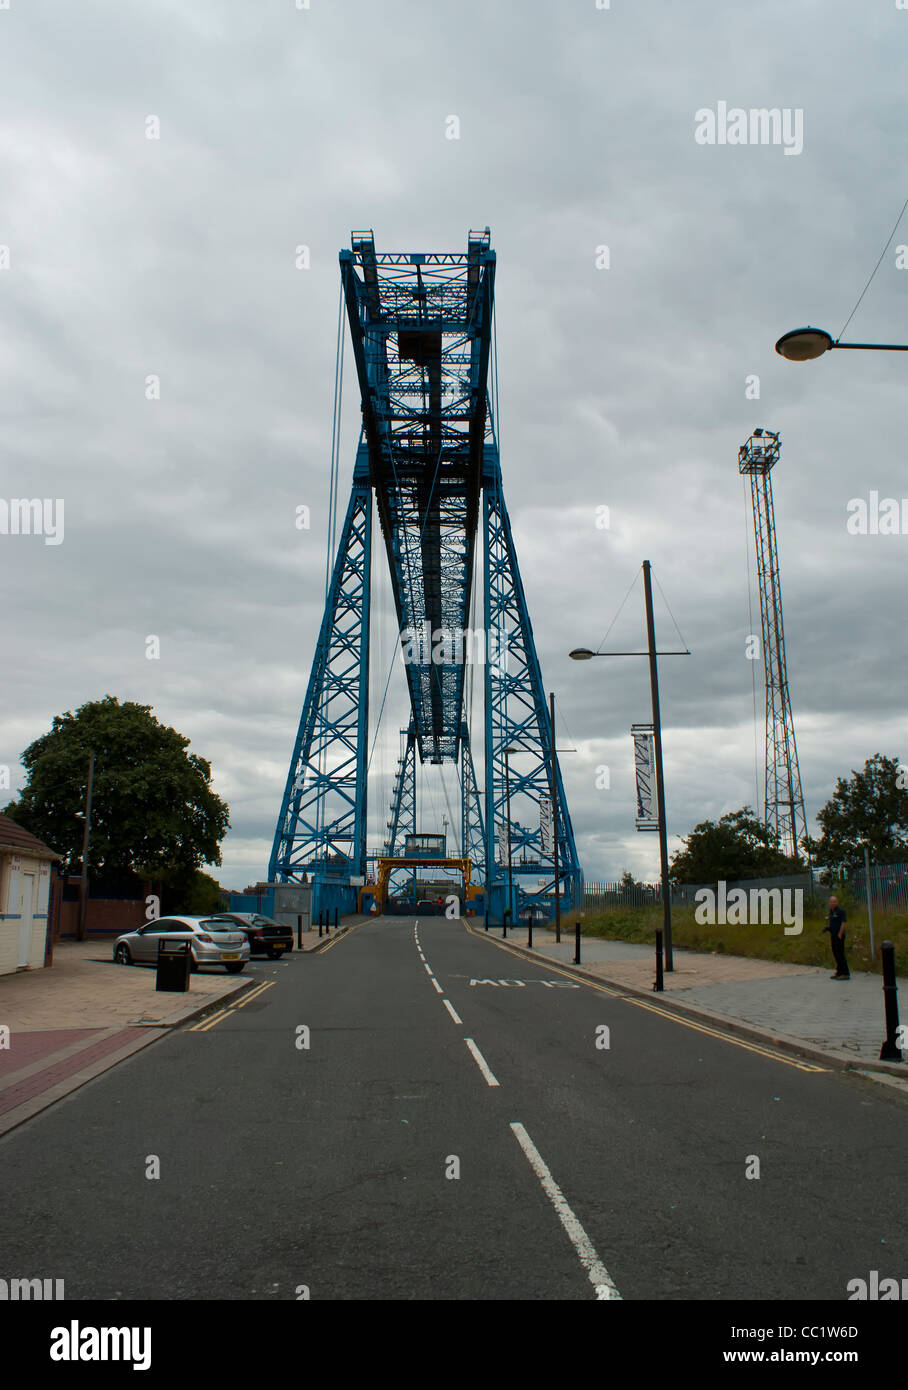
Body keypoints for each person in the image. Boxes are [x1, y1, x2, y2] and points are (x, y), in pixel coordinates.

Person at [824, 895, 850, 980]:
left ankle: (845, 973)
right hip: (833, 936)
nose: (832, 903)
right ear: (829, 903)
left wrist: (840, 934)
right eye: (831, 902)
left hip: (839, 936)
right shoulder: (831, 912)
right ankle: (839, 972)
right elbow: (832, 923)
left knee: (840, 954)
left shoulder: (841, 911)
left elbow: (843, 923)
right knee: (835, 954)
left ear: (837, 902)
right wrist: (827, 928)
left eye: (834, 902)